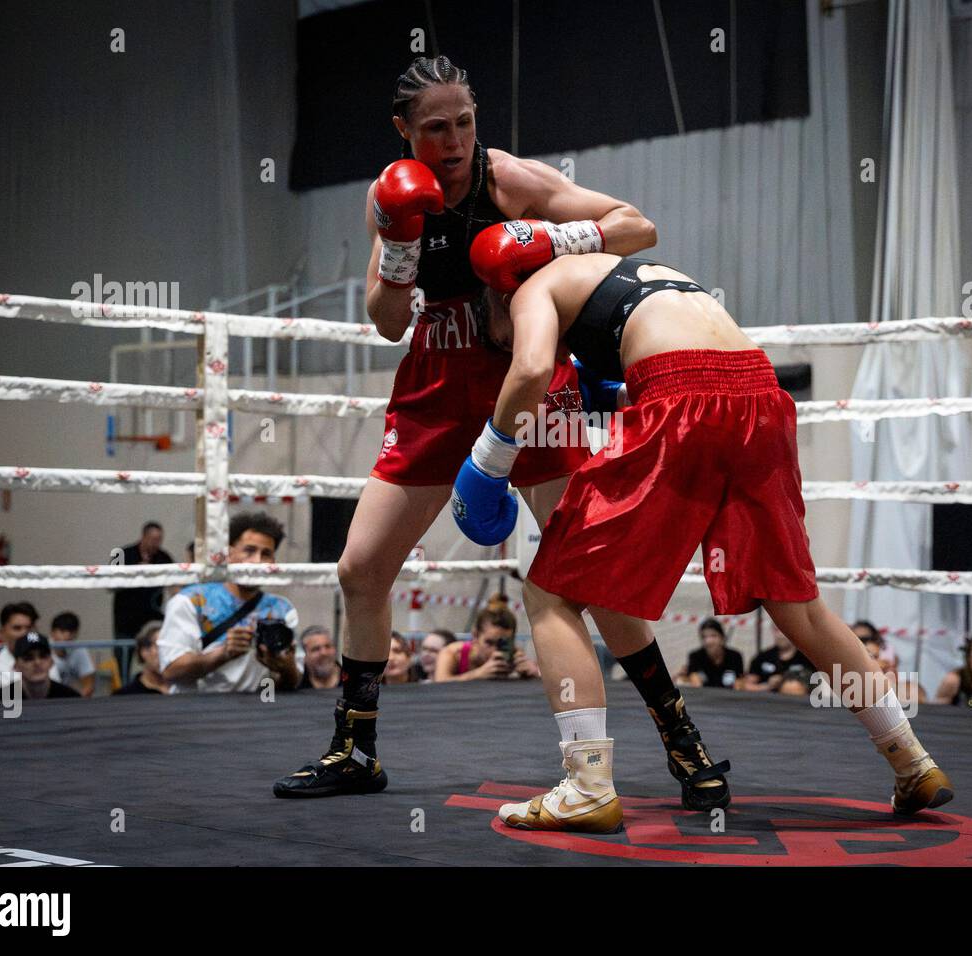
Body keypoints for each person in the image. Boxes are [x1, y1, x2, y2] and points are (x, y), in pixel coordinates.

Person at [274, 55, 729, 813]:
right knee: (360, 570)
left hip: (532, 382)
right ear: (403, 130)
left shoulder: (508, 180)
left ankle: (685, 745)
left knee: (588, 575)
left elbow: (638, 225)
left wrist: (549, 242)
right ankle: (355, 748)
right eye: (434, 128)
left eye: (464, 123)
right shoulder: (390, 195)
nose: (452, 142)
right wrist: (402, 245)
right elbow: (387, 324)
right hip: (433, 390)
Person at [450, 244, 952, 831]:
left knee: (550, 595)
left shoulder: (532, 289)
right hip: (761, 397)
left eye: (498, 334)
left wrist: (489, 461)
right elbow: (692, 372)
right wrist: (608, 394)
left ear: (501, 299)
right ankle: (911, 760)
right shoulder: (626, 271)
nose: (506, 344)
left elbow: (532, 370)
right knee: (798, 607)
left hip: (681, 397)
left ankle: (587, 786)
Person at [158, 512, 301, 694]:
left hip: (257, 714)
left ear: (272, 561)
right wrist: (223, 653)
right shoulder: (190, 601)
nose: (257, 561)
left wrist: (285, 668)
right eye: (249, 550)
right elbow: (171, 670)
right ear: (229, 554)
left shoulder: (282, 608)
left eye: (265, 554)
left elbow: (293, 682)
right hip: (195, 714)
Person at [113, 521, 174, 672]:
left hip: (152, 621)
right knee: (123, 663)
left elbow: (175, 584)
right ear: (143, 537)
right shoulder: (120, 553)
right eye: (153, 539)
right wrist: (133, 574)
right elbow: (110, 585)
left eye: (159, 540)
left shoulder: (164, 557)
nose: (156, 543)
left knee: (159, 658)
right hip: (125, 620)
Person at [433, 607, 538, 681]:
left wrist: (534, 674)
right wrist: (478, 674)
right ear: (475, 636)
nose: (495, 651)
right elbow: (439, 683)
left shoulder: (515, 655)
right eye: (489, 643)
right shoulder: (453, 654)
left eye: (503, 644)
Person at [676, 618, 744, 690]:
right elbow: (696, 684)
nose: (708, 641)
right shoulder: (696, 656)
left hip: (729, 698)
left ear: (722, 638)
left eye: (713, 636)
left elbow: (739, 685)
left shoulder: (735, 656)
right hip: (704, 698)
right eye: (704, 637)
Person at [13, 633, 81, 700]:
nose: (37, 662)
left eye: (43, 656)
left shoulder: (70, 698)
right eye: (28, 658)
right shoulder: (4, 699)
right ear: (16, 666)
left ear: (51, 662)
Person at [745, 626, 814, 692]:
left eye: (785, 631)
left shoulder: (807, 658)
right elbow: (746, 686)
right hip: (768, 700)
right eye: (777, 630)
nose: (781, 635)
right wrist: (767, 686)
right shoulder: (763, 657)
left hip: (799, 700)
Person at [46, 611, 96, 697]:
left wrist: (76, 704)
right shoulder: (42, 650)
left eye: (71, 632)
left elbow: (89, 684)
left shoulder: (79, 650)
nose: (67, 636)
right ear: (52, 632)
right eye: (62, 631)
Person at [114, 622, 169, 695]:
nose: (167, 653)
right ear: (144, 651)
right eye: (160, 647)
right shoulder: (125, 695)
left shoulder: (182, 689)